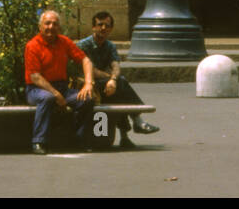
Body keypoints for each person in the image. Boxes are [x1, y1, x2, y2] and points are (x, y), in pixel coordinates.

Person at [76, 11, 158, 147]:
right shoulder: (83, 45)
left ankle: (127, 133)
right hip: (87, 84)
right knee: (121, 85)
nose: (103, 28)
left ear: (111, 29)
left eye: (107, 26)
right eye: (100, 25)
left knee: (117, 88)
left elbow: (116, 66)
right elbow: (91, 70)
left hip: (104, 84)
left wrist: (113, 80)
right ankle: (134, 124)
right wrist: (112, 79)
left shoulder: (110, 46)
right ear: (93, 27)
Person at [24, 10, 94, 155]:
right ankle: (38, 141)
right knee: (47, 98)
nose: (51, 27)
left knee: (87, 99)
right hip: (36, 89)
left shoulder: (64, 42)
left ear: (59, 27)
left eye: (55, 24)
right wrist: (55, 93)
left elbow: (85, 60)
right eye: (47, 23)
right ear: (40, 26)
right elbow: (35, 77)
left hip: (62, 88)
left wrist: (88, 83)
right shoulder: (32, 46)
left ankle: (80, 139)